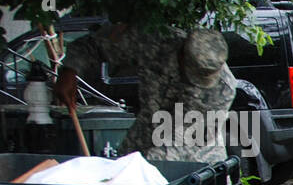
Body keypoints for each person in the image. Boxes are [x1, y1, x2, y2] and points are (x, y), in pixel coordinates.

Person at [53, 24, 236, 163]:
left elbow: (182, 142)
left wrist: (138, 171)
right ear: (182, 54)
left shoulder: (222, 90)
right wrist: (70, 71)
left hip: (195, 164)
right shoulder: (156, 42)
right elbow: (94, 45)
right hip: (142, 141)